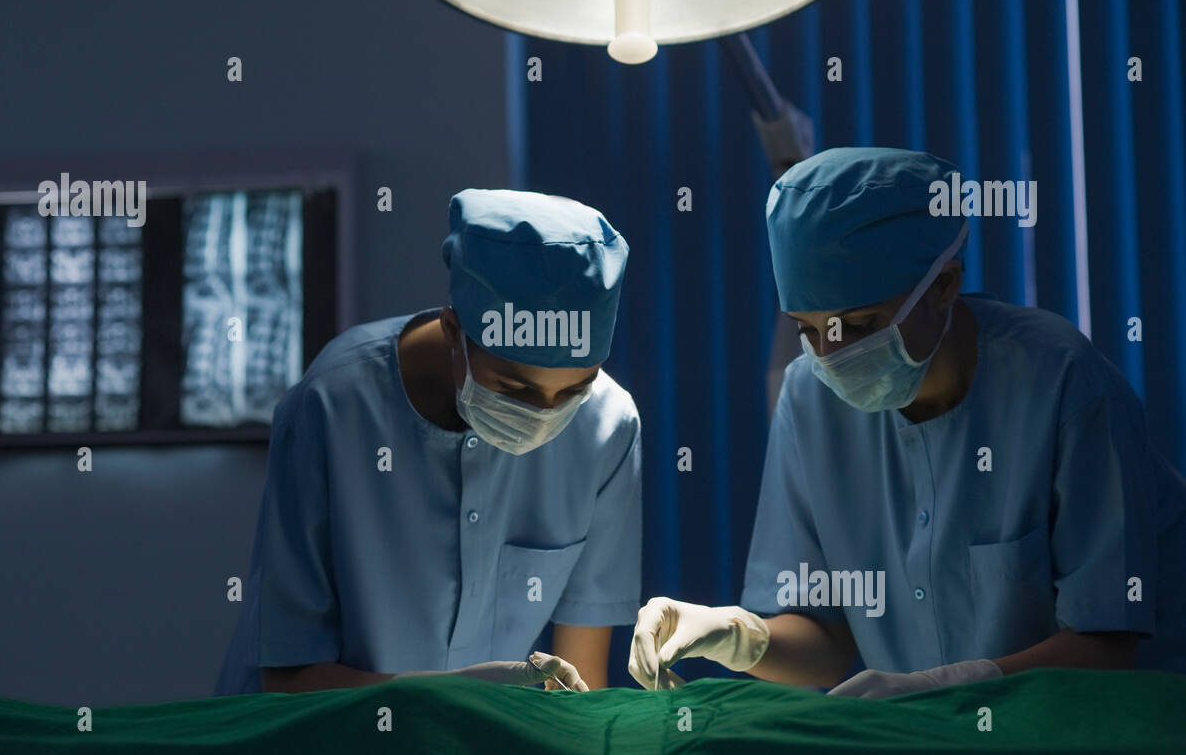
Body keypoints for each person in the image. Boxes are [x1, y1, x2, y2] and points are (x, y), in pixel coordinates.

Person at [629, 147, 1186, 697]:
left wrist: (949, 687)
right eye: (807, 326)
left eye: (859, 323)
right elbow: (825, 639)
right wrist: (735, 636)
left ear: (943, 285)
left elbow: (1108, 643)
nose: (830, 353)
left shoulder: (1063, 381)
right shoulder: (809, 398)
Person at [216, 188, 642, 694]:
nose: (543, 416)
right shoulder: (333, 404)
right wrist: (456, 698)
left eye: (573, 390)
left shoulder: (606, 427)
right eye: (513, 388)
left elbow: (579, 685)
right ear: (453, 328)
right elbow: (288, 679)